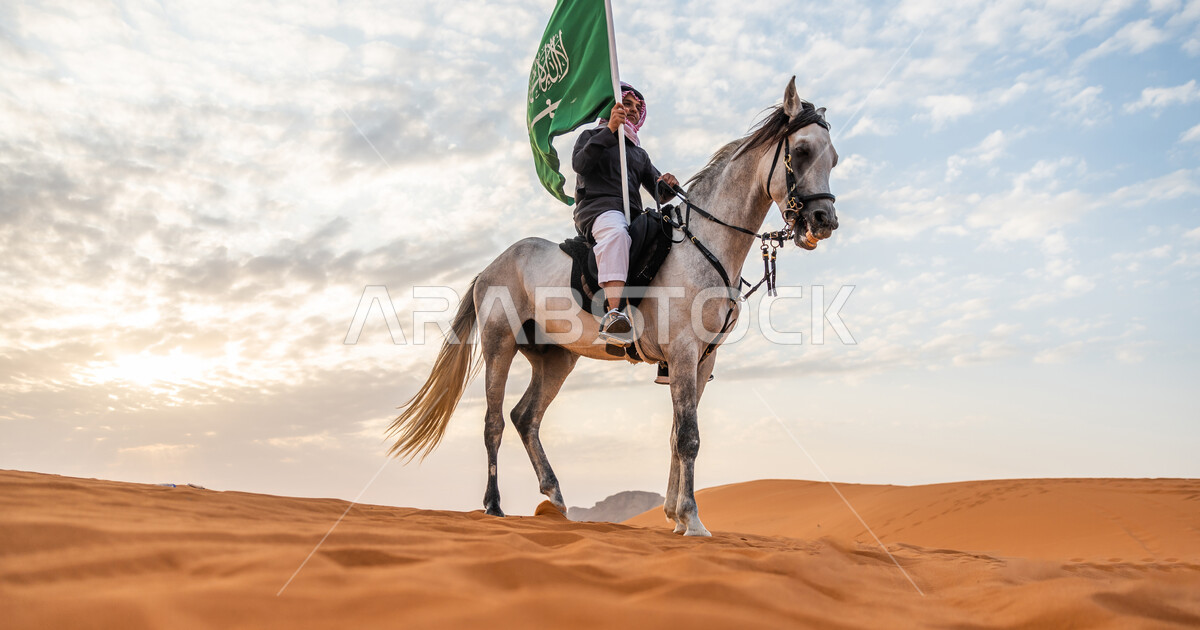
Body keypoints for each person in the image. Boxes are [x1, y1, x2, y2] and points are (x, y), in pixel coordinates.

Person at [571, 82, 678, 348]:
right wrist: (609, 131)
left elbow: (659, 193)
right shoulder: (590, 136)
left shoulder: (638, 152)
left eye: (636, 108)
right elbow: (580, 164)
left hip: (633, 214)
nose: (632, 110)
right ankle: (613, 315)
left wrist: (669, 185)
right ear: (612, 107)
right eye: (627, 104)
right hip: (598, 210)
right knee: (617, 232)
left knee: (668, 241)